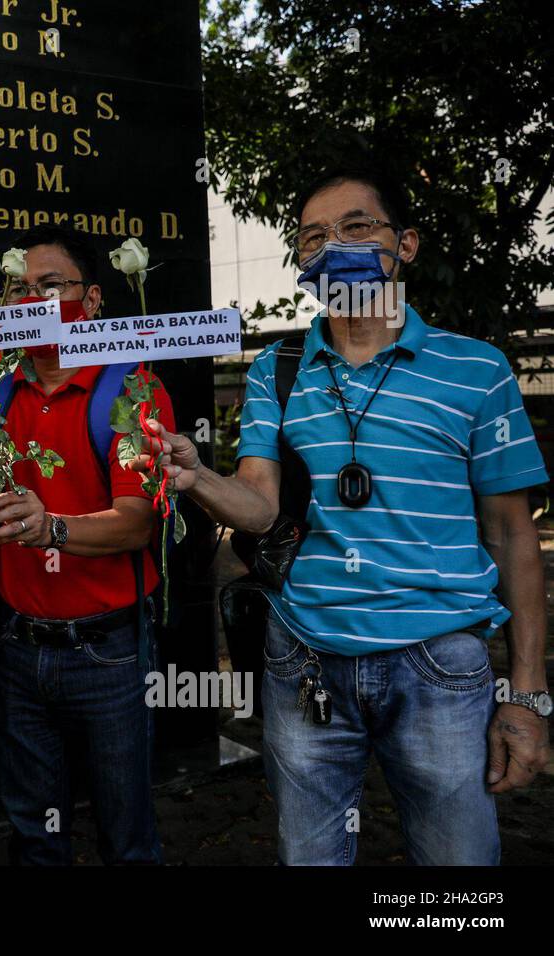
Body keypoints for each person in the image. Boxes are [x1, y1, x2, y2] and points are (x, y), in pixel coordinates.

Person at [136, 167, 551, 865]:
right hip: (302, 660)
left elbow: (514, 537)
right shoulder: (279, 369)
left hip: (441, 663)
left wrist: (530, 695)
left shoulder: (477, 371)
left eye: (357, 227)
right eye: (313, 237)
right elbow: (260, 504)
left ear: (406, 244)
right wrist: (196, 475)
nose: (335, 247)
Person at [0, 226, 173, 865]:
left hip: (108, 653)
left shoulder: (131, 388)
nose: (31, 300)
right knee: (34, 836)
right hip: (18, 652)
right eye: (19, 289)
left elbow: (139, 522)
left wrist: (50, 526)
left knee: (125, 836)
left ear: (96, 298)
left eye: (50, 286)